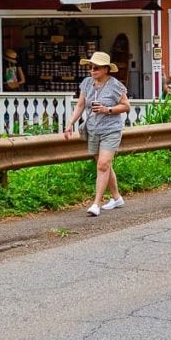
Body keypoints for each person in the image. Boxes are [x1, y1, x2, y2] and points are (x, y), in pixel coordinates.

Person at [64, 51, 130, 216]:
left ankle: (96, 204)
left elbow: (126, 106)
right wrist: (70, 123)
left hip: (111, 129)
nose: (92, 71)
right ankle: (116, 198)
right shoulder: (87, 83)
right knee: (104, 165)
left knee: (102, 164)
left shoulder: (115, 85)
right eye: (91, 67)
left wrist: (107, 109)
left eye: (96, 68)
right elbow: (80, 105)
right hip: (93, 128)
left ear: (106, 69)